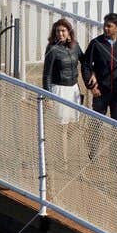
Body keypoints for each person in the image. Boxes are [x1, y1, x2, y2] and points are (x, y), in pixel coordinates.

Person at [80, 12, 117, 123]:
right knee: (96, 123)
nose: (105, 28)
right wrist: (92, 86)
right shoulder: (96, 43)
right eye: (105, 25)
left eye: (109, 26)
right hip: (100, 92)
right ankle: (95, 141)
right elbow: (86, 65)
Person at [41, 18, 86, 152]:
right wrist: (48, 96)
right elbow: (46, 74)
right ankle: (63, 161)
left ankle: (62, 150)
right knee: (62, 127)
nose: (60, 34)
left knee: (73, 124)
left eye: (63, 31)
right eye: (58, 31)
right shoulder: (52, 49)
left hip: (73, 89)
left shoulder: (75, 46)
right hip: (59, 89)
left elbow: (85, 62)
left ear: (69, 32)